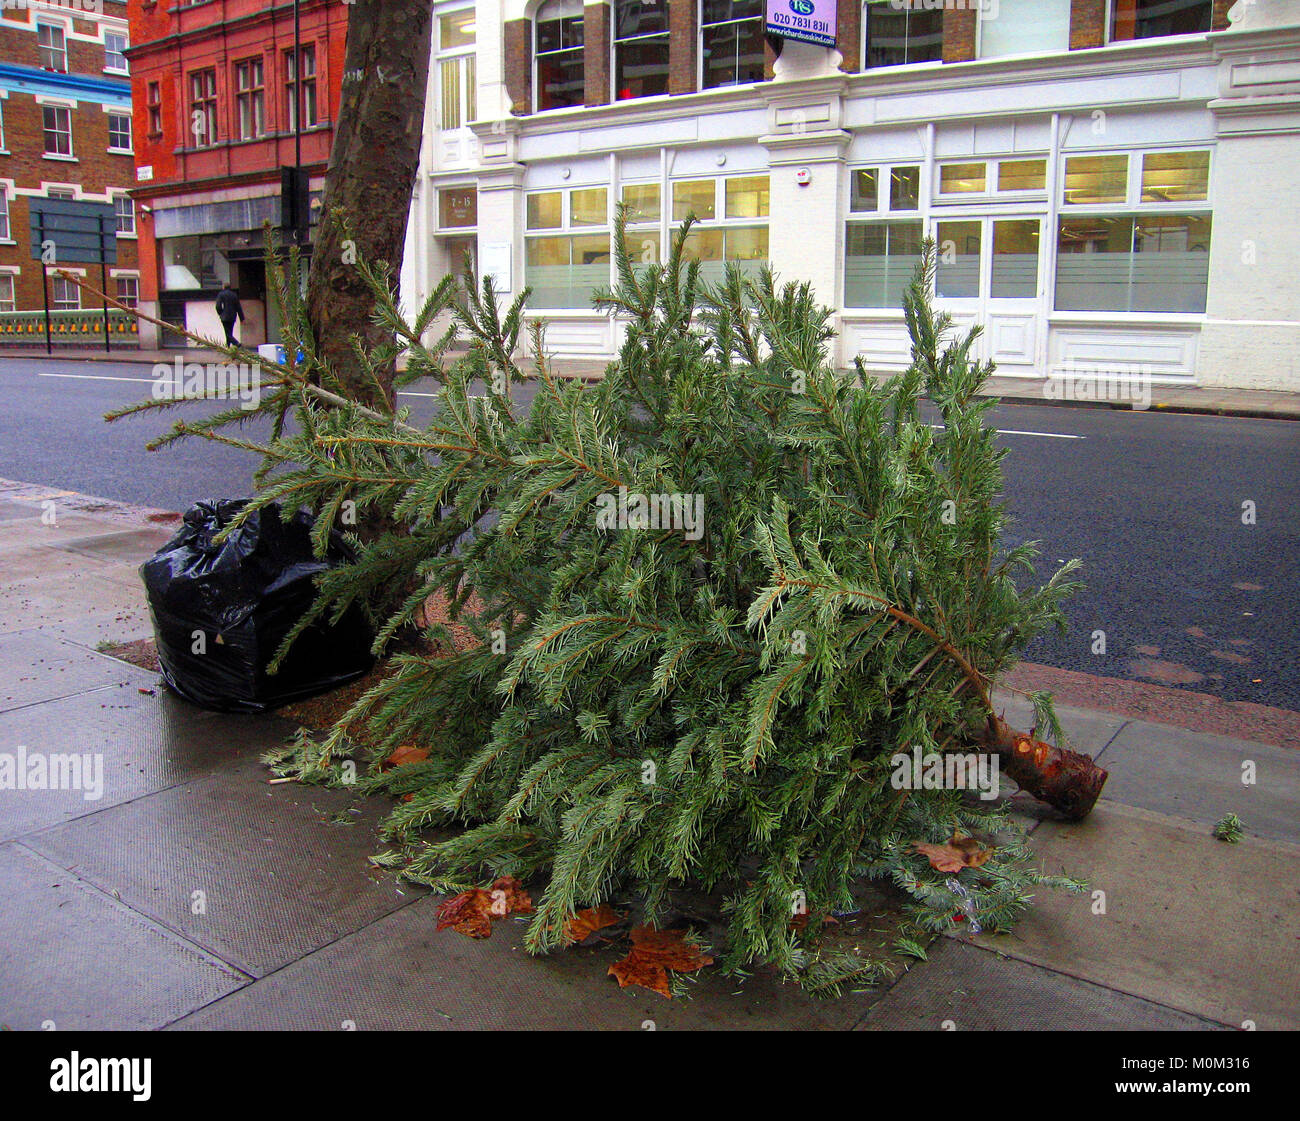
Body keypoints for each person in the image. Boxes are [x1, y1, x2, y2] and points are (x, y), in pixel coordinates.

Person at [215, 282, 244, 348]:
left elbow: (218, 306)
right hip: (232, 316)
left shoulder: (221, 294)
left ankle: (236, 343)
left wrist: (220, 313)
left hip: (224, 316)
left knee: (227, 333)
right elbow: (238, 307)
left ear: (224, 287)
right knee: (230, 332)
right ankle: (227, 346)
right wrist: (241, 318)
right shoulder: (234, 295)